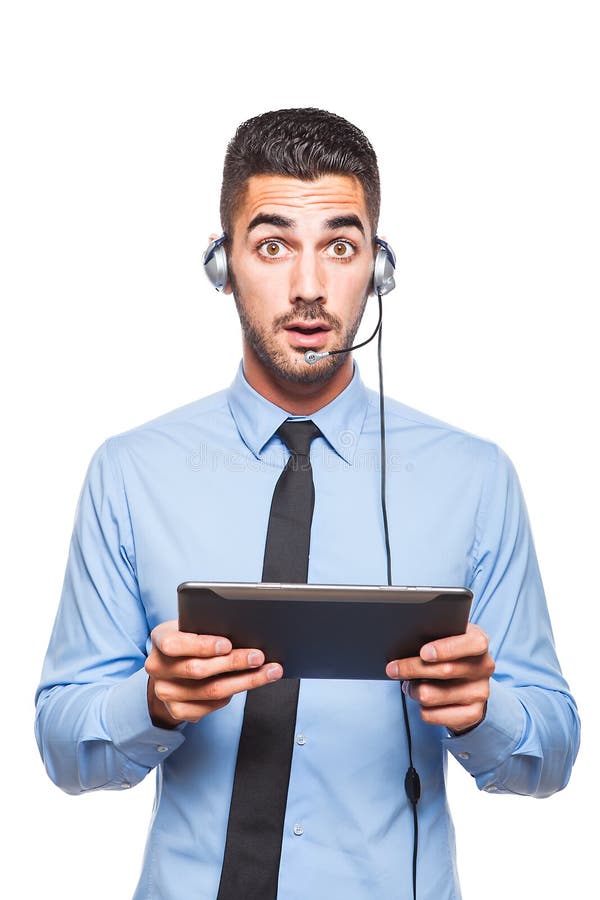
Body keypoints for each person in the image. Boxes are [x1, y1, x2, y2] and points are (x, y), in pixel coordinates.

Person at [35, 108, 580, 900]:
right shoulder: (129, 473)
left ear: (378, 269)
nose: (309, 287)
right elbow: (61, 746)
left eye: (340, 245)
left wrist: (482, 711)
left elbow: (552, 754)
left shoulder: (476, 479)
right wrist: (148, 703)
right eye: (272, 245)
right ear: (224, 266)